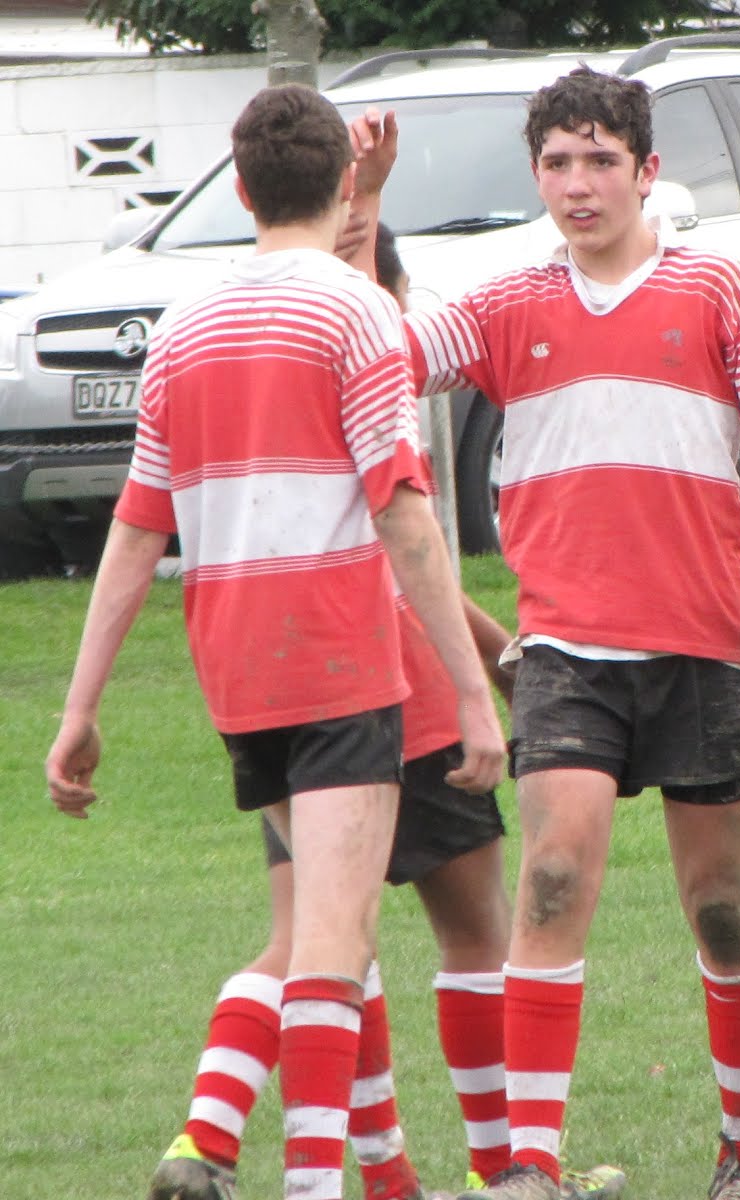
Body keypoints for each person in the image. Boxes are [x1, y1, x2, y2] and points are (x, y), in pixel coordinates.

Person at [347, 64, 740, 1200]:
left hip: (711, 644)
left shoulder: (722, 289)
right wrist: (363, 210)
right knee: (556, 874)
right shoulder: (509, 299)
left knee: (721, 908)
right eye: (558, 164)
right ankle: (530, 1166)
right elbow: (376, 344)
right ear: (539, 177)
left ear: (646, 172)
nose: (578, 185)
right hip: (566, 648)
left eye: (599, 162)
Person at [45, 83, 507, 1200]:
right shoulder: (357, 316)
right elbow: (402, 511)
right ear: (346, 187)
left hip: (236, 668)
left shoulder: (184, 327)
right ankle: (320, 1187)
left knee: (319, 935)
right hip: (341, 653)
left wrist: (80, 706)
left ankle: (310, 1167)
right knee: (333, 948)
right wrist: (475, 691)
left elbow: (134, 530)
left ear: (240, 190)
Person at [144, 223, 622, 1200]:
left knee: (318, 944)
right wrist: (487, 673)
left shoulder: (266, 373)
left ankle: (214, 1141)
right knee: (474, 934)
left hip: (282, 694)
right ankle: (505, 1174)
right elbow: (412, 565)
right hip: (394, 695)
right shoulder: (363, 376)